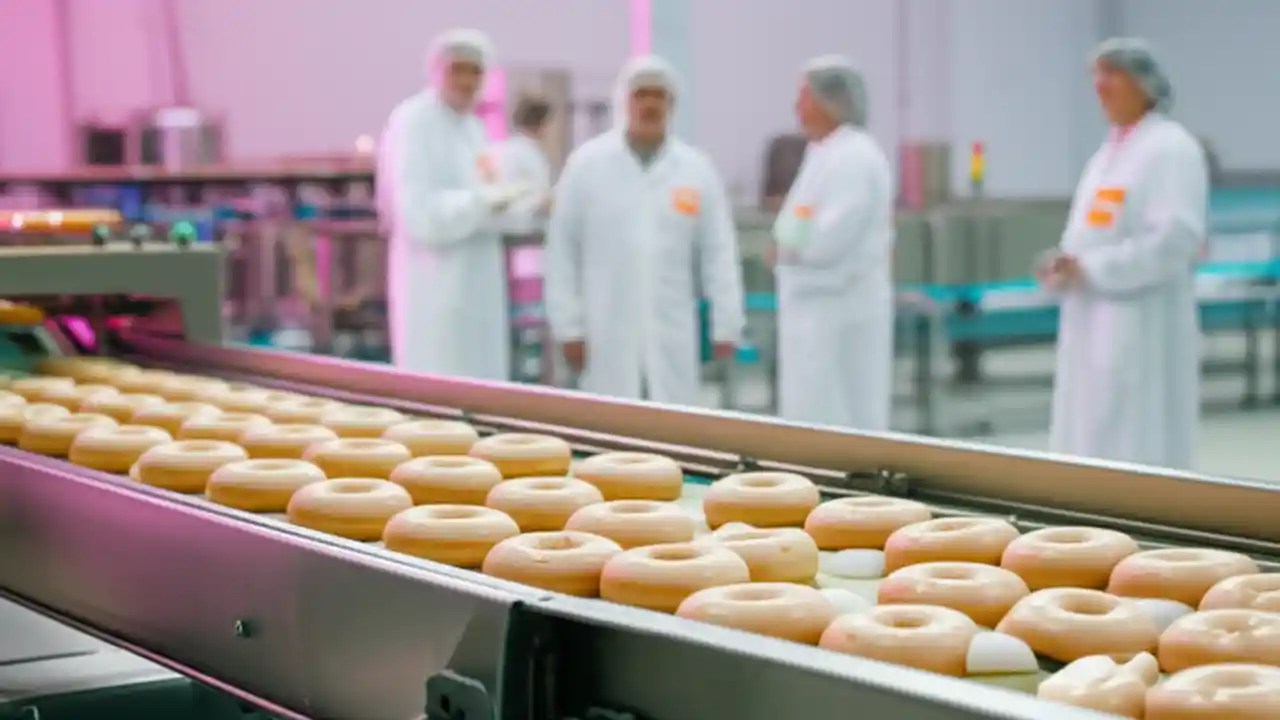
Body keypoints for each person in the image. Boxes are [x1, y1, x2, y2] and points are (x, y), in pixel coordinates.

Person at [1039, 38, 1207, 470]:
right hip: (1092, 318)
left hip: (1141, 323)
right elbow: (1091, 231)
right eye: (1096, 76)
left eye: (1112, 74)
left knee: (1137, 440)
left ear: (1144, 84)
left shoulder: (1170, 148)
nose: (1099, 86)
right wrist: (1066, 263)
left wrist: (1093, 268)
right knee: (1092, 436)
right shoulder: (1109, 153)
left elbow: (1175, 240)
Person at [544, 56, 745, 404]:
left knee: (674, 429)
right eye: (641, 95)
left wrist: (726, 322)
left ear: (672, 105)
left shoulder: (696, 170)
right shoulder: (587, 166)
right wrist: (569, 326)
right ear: (624, 102)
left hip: (672, 328)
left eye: (659, 96)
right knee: (609, 429)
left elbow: (718, 251)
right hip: (603, 326)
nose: (650, 104)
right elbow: (562, 252)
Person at [378, 29, 530, 380]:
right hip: (435, 286)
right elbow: (417, 214)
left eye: (475, 71)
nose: (466, 80)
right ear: (436, 71)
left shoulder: (474, 129)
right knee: (437, 393)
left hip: (479, 285)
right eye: (457, 69)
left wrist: (522, 207)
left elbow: (491, 199)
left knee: (482, 386)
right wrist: (483, 202)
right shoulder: (413, 121)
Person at [771, 55, 894, 430]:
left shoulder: (856, 156)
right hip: (813, 314)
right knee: (813, 416)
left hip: (840, 314)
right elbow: (791, 228)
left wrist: (789, 249)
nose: (796, 106)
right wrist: (788, 246)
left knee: (843, 419)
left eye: (804, 95)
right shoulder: (823, 152)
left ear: (830, 99)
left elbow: (826, 240)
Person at [494, 96, 554, 235]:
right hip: (520, 226)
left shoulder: (512, 149)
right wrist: (543, 203)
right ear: (540, 123)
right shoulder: (525, 153)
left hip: (521, 225)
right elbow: (520, 197)